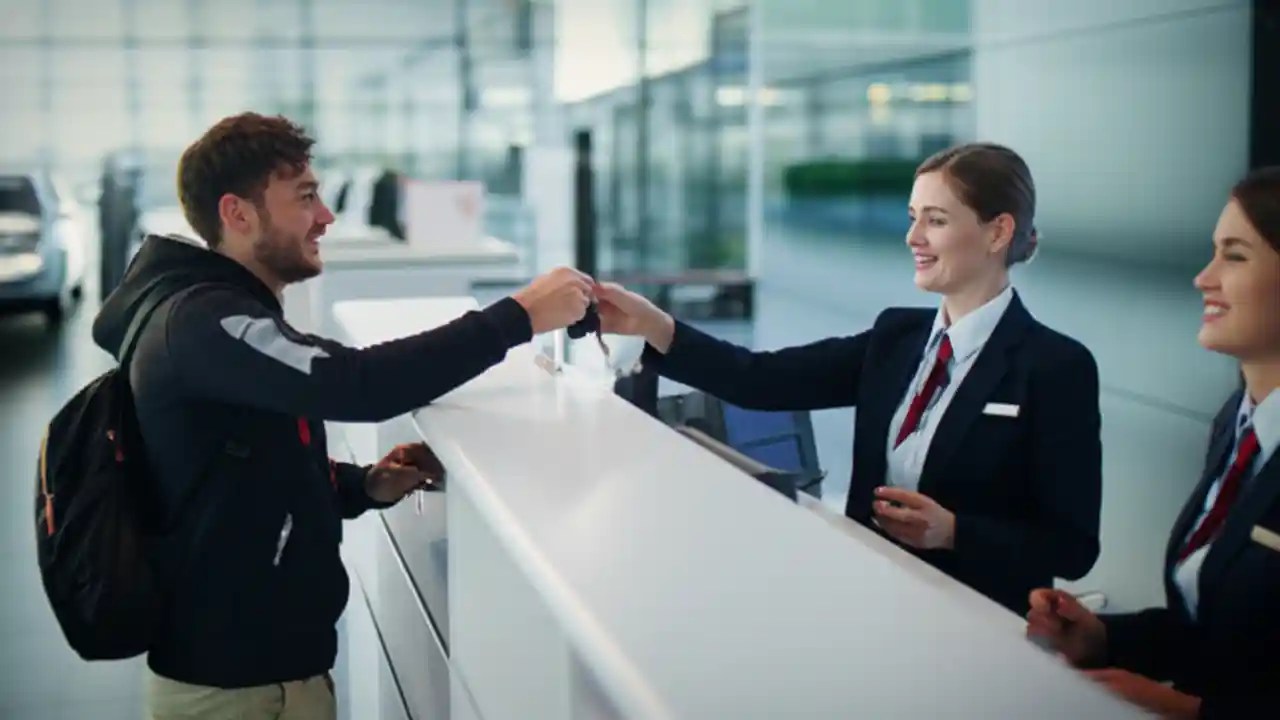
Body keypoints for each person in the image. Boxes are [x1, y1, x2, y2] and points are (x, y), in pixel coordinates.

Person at [91, 112, 592, 720]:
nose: (325, 215)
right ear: (238, 214)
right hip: (239, 692)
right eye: (305, 197)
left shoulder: (216, 314)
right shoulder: (206, 323)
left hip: (261, 677)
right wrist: (519, 316)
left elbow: (238, 466)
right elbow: (358, 385)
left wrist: (361, 485)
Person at [595, 142, 1103, 614]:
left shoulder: (1055, 367)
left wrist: (954, 532)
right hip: (873, 604)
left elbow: (1071, 547)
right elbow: (762, 380)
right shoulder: (895, 338)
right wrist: (654, 326)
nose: (913, 238)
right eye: (912, 218)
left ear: (998, 232)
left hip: (978, 627)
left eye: (936, 220)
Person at [1025, 167, 1280, 719]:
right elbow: (1219, 632)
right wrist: (1102, 639)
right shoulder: (1237, 426)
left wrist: (1188, 713)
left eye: (1234, 256)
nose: (1203, 278)